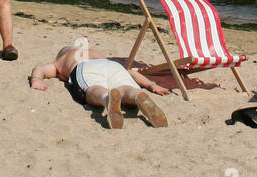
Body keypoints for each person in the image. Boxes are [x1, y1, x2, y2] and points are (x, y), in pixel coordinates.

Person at [30, 39, 170, 129]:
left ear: (62, 54)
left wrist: (36, 79)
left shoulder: (61, 61)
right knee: (125, 87)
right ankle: (137, 95)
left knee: (94, 88)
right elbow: (130, 72)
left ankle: (106, 98)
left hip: (86, 67)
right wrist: (152, 85)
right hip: (111, 65)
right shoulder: (96, 53)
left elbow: (39, 69)